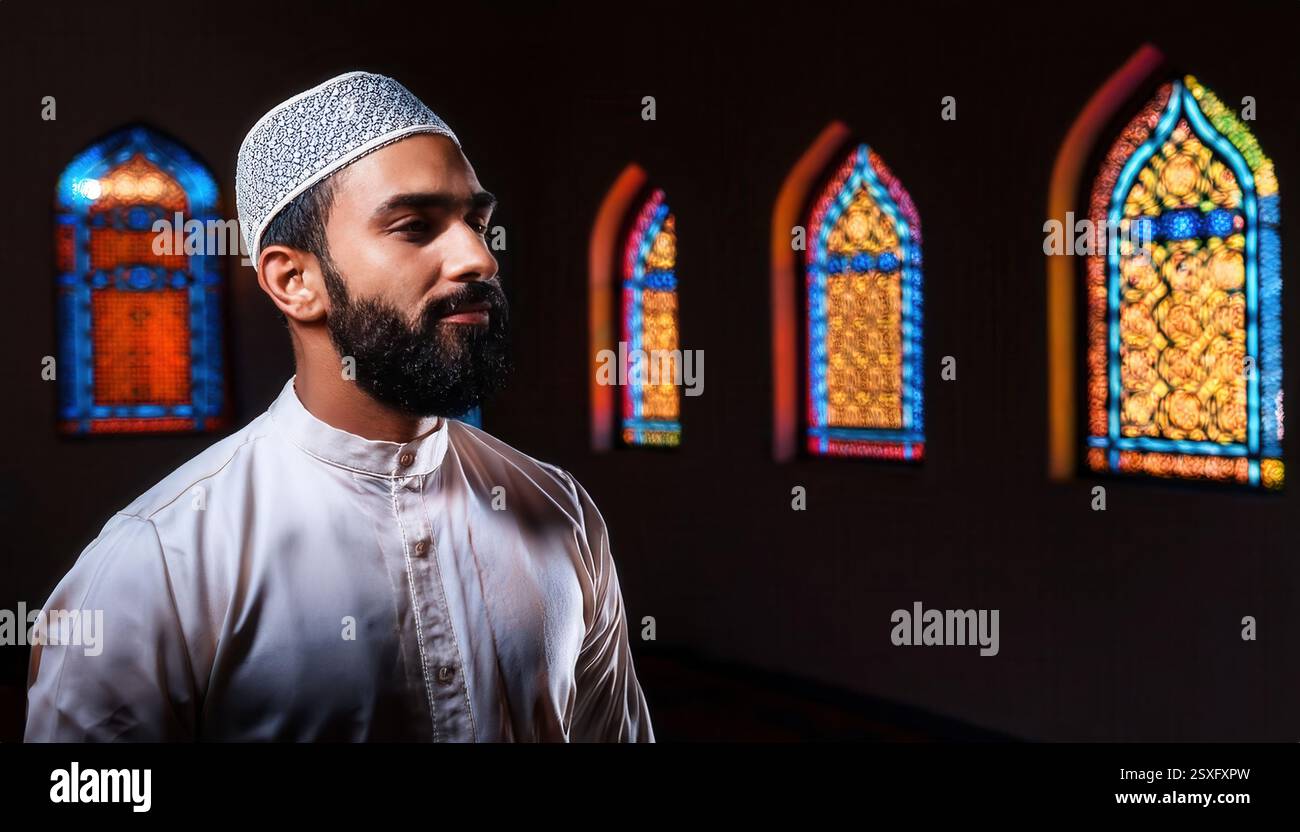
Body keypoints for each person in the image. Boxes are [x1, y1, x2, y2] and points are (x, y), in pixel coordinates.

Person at [25, 71, 655, 742]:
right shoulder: (156, 562)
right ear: (294, 281)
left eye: (476, 222)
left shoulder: (559, 512)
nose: (478, 258)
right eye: (415, 227)